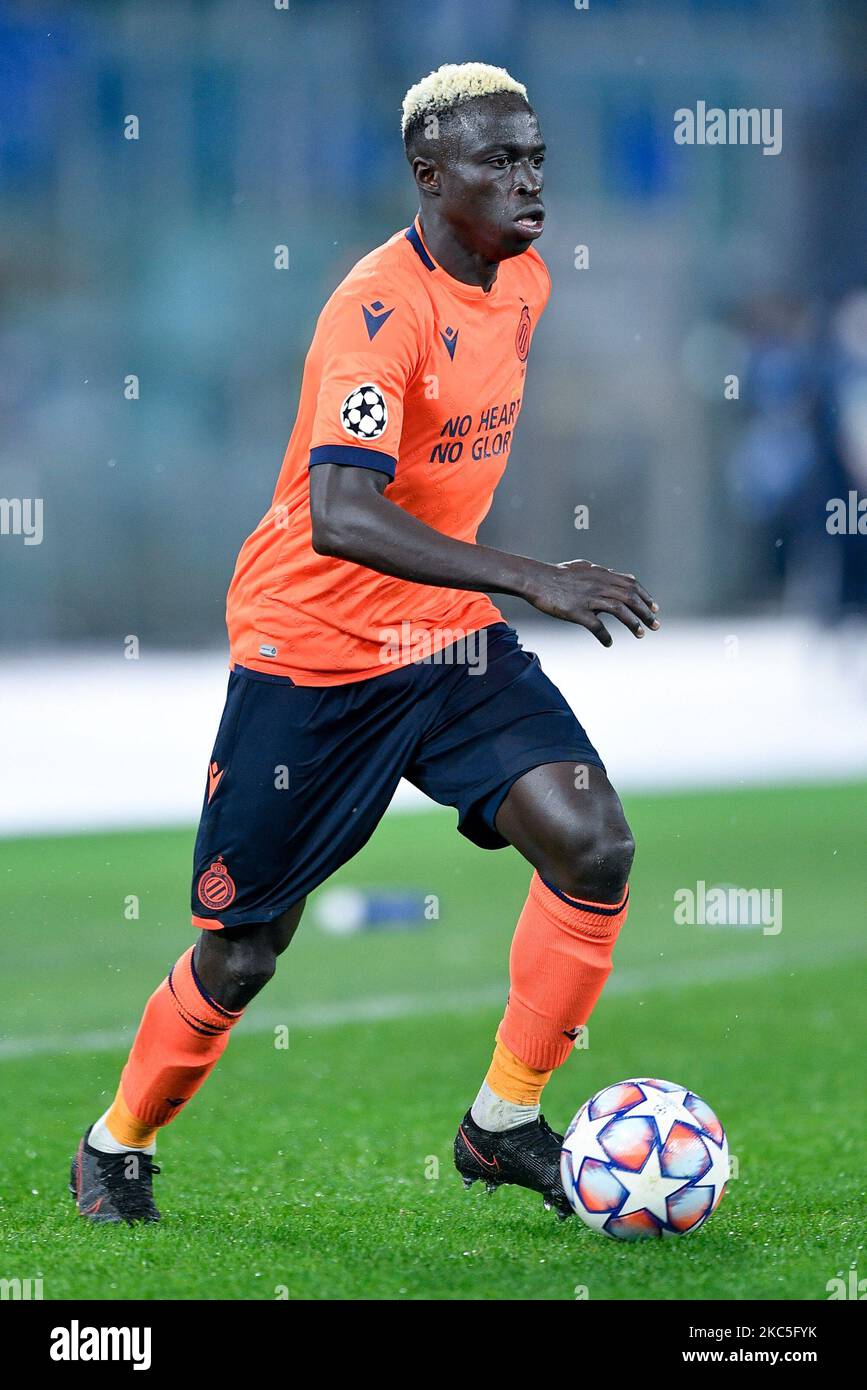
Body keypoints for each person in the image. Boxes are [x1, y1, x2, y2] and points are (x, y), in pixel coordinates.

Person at [70, 62, 659, 1225]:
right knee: (244, 953)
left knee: (592, 842)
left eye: (536, 155)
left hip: (444, 643)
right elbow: (342, 515)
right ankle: (116, 1141)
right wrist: (531, 573)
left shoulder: (525, 279)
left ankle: (504, 1123)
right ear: (430, 176)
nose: (529, 180)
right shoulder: (375, 311)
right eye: (499, 161)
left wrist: (493, 590)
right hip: (315, 652)